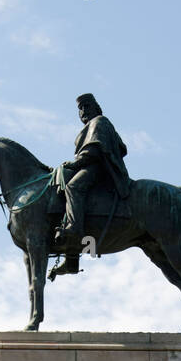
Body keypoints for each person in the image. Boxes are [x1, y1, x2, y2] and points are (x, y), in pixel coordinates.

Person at [53, 94, 129, 259]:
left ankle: (74, 228)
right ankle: (72, 255)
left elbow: (93, 150)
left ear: (96, 107)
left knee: (73, 187)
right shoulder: (91, 125)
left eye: (86, 107)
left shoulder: (99, 122)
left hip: (100, 166)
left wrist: (76, 163)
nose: (83, 111)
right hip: (91, 165)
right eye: (80, 109)